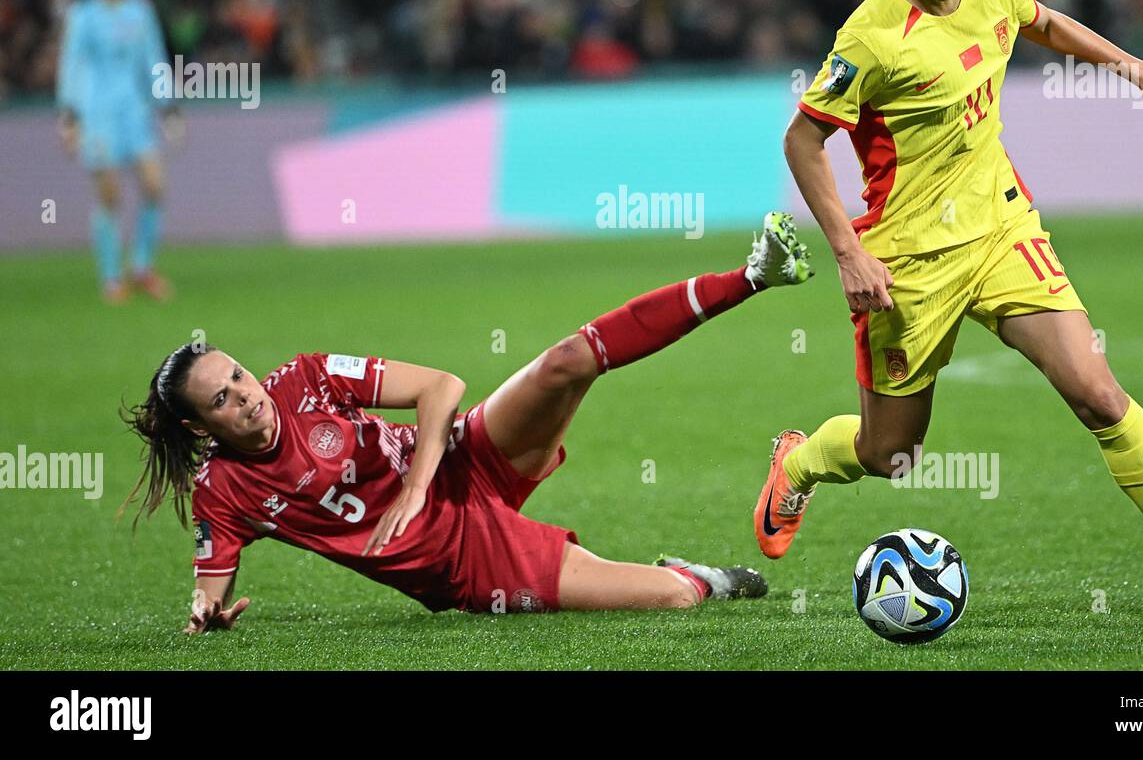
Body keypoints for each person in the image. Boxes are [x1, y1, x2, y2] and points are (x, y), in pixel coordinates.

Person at [757, 0, 1143, 621]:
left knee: (1098, 393)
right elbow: (802, 138)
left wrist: (1142, 73)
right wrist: (848, 252)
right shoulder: (870, 38)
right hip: (907, 265)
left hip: (1002, 232)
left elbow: (1047, 24)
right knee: (891, 453)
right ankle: (799, 464)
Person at [122, 214, 812, 630]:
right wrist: (205, 616)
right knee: (670, 601)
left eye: (237, 375)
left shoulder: (304, 378)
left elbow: (442, 387)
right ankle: (706, 577)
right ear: (197, 430)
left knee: (566, 361)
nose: (244, 395)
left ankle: (752, 274)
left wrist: (419, 485)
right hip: (462, 562)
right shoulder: (223, 492)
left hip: (461, 456)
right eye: (221, 400)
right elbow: (210, 585)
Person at [57, 0, 181, 303]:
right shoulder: (83, 14)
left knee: (154, 186)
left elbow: (154, 59)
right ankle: (112, 277)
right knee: (109, 195)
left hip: (135, 113)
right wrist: (69, 114)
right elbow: (72, 64)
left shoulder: (140, 11)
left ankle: (142, 267)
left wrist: (168, 106)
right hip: (97, 114)